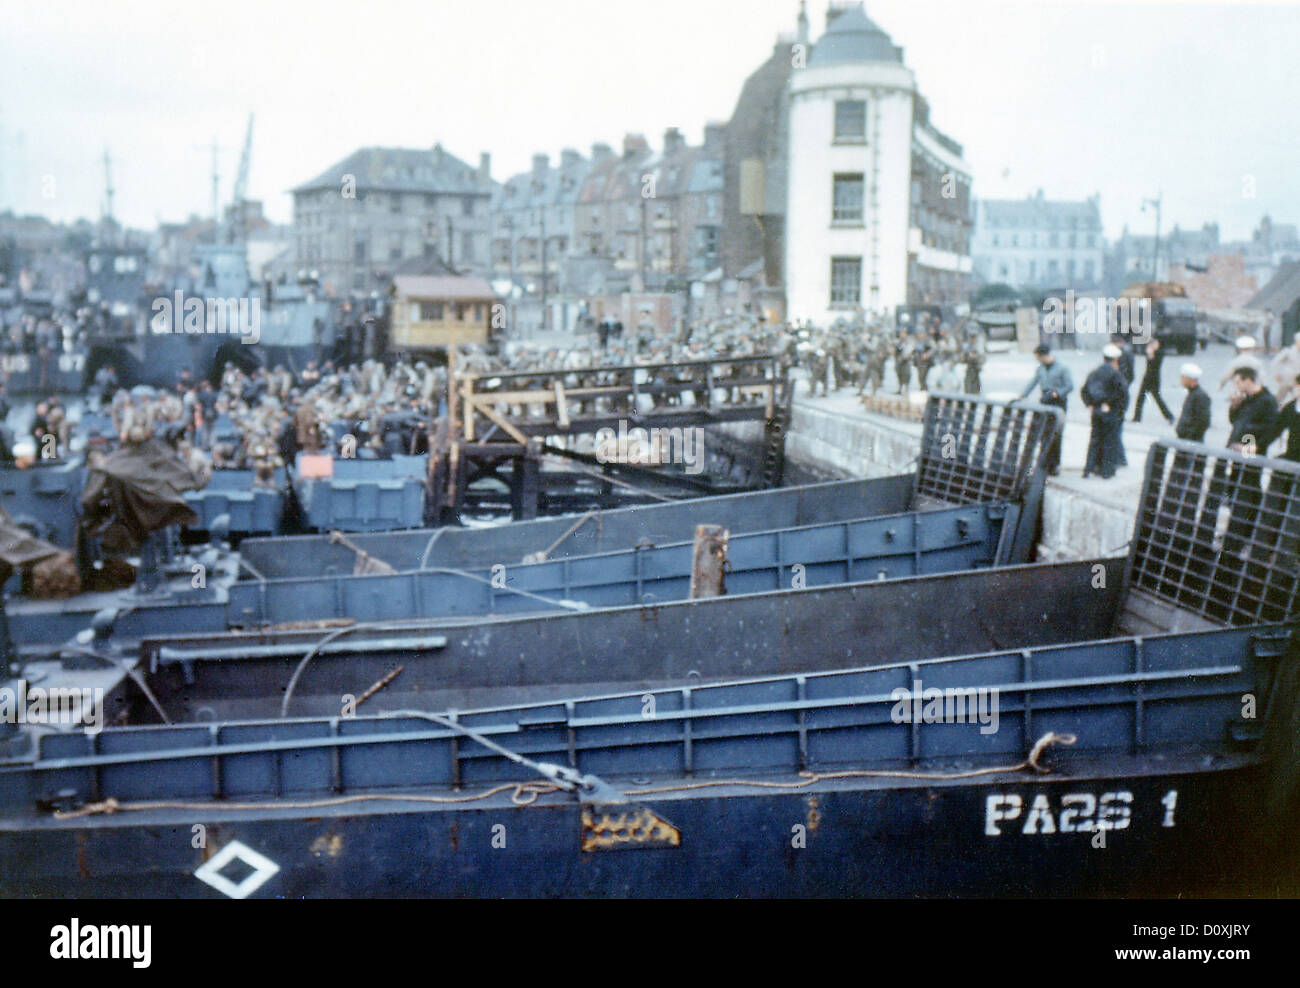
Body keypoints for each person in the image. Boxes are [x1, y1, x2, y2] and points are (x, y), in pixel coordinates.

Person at [1018, 344, 1073, 475]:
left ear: (1044, 356)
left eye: (1038, 357)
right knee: (1044, 433)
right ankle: (1045, 464)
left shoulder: (1062, 368)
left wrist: (1057, 393)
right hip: (1045, 399)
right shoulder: (1040, 368)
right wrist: (1022, 395)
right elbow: (1033, 382)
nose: (1037, 360)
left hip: (1057, 401)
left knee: (1056, 434)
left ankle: (1055, 465)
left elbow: (1069, 386)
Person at [1081, 344, 1130, 480]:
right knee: (1110, 441)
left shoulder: (1094, 373)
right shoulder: (1116, 375)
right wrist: (1120, 411)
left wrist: (1089, 404)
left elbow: (1084, 390)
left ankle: (1088, 469)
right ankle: (1107, 471)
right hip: (1111, 411)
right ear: (1115, 360)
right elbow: (1123, 395)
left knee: (1095, 439)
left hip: (1096, 411)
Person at [1133, 338, 1173, 424]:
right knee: (1141, 398)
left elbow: (1154, 364)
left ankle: (1169, 416)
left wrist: (1150, 354)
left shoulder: (1159, 353)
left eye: (1154, 344)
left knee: (1157, 398)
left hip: (1154, 378)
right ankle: (1137, 417)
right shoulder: (1151, 352)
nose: (1152, 346)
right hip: (1147, 377)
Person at [1173, 363, 1211, 443]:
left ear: (1191, 379)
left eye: (1183, 377)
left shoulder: (1200, 396)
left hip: (1191, 442)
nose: (1181, 380)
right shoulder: (1192, 394)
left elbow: (1203, 422)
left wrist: (1189, 436)